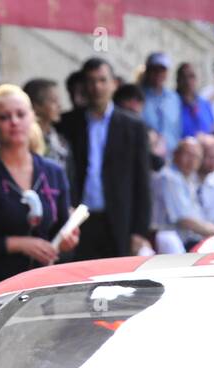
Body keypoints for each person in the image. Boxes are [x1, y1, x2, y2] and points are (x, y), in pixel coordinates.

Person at [0, 84, 77, 299]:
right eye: (4, 117)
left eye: (20, 114)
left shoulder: (53, 172)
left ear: (32, 118)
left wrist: (67, 243)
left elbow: (60, 238)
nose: (14, 122)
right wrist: (17, 244)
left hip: (40, 291)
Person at [58, 58, 153, 260]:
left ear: (114, 84)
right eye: (91, 81)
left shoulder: (133, 126)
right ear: (84, 85)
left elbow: (142, 181)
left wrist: (139, 231)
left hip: (117, 219)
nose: (97, 87)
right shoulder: (68, 123)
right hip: (78, 220)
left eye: (102, 80)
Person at [152, 137, 214, 252]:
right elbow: (185, 220)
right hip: (170, 243)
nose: (192, 160)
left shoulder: (190, 179)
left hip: (188, 242)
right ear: (175, 154)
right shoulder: (168, 177)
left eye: (196, 157)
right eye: (188, 154)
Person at [141, 52, 183, 153]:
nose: (158, 74)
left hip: (170, 158)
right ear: (147, 70)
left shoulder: (174, 98)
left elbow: (177, 129)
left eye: (162, 70)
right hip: (145, 154)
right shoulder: (138, 95)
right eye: (155, 70)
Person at [23, 78, 70, 166]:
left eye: (58, 100)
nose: (59, 106)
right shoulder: (23, 141)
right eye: (53, 101)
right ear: (35, 106)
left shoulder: (60, 140)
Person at [177, 62, 214, 138]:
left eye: (191, 76)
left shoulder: (204, 104)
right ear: (178, 80)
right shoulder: (172, 103)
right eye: (184, 77)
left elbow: (213, 129)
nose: (187, 81)